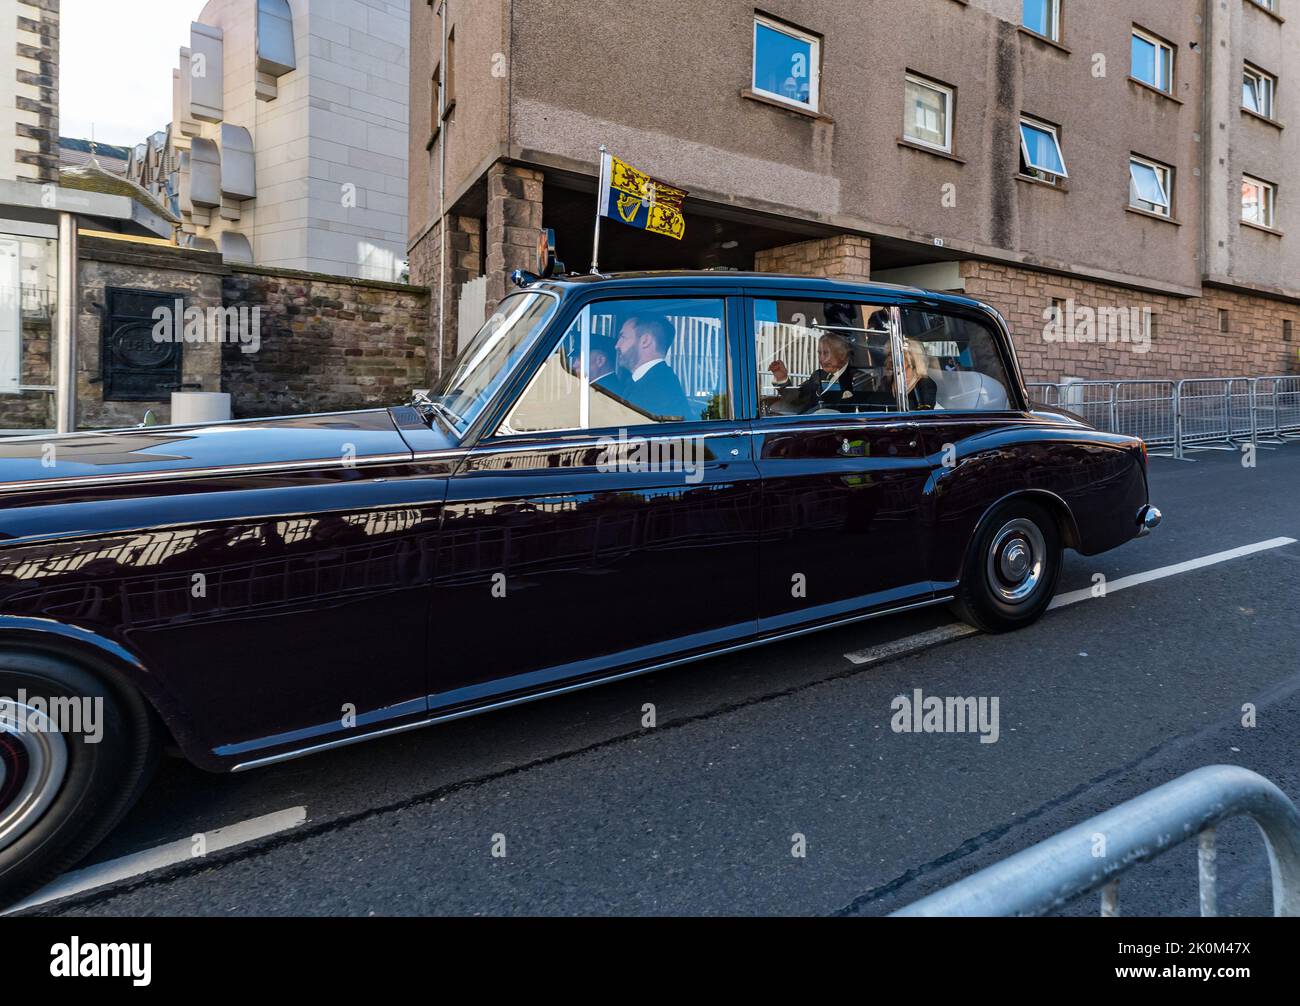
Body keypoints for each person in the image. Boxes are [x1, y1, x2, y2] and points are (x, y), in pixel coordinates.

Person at [768, 331, 878, 413]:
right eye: (819, 353)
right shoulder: (817, 375)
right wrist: (782, 378)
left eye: (825, 353)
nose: (821, 359)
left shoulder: (860, 378)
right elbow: (798, 399)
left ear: (841, 355)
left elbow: (863, 414)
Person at [612, 315, 691, 421]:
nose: (617, 345)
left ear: (645, 341)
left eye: (623, 337)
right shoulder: (655, 379)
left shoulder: (658, 390)